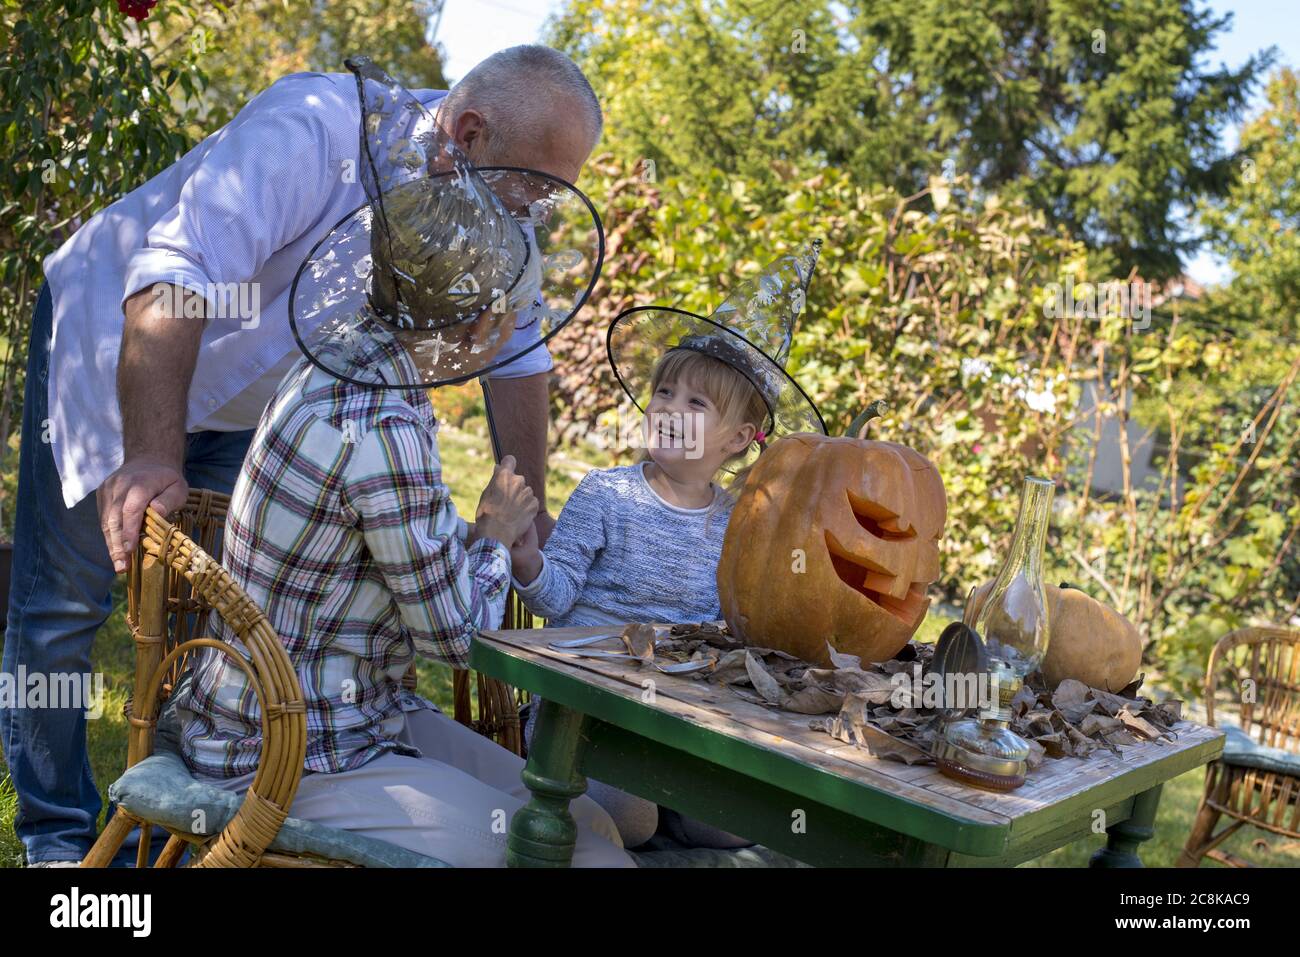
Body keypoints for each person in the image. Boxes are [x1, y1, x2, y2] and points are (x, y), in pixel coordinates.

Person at [2, 44, 599, 867]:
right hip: (127, 343)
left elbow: (520, 352)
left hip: (272, 396)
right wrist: (152, 455)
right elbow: (172, 275)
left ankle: (182, 805)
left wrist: (523, 507)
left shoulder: (478, 231)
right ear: (465, 133)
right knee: (64, 606)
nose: (536, 211)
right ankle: (58, 839)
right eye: (536, 186)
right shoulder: (313, 131)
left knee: (231, 601)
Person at [175, 55, 630, 867]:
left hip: (324, 710)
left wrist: (471, 541)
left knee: (593, 821)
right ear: (483, 326)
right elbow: (456, 637)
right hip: (290, 748)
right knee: (584, 855)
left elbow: (401, 556)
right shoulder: (382, 423)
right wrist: (491, 536)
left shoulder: (355, 359)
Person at [512, 240, 827, 849]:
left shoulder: (742, 525)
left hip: (679, 721)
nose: (669, 408)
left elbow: (734, 627)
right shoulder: (607, 494)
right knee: (629, 821)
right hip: (584, 709)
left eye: (695, 402)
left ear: (739, 438)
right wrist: (529, 561)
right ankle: (637, 816)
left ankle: (670, 810)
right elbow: (555, 600)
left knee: (736, 829)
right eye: (664, 392)